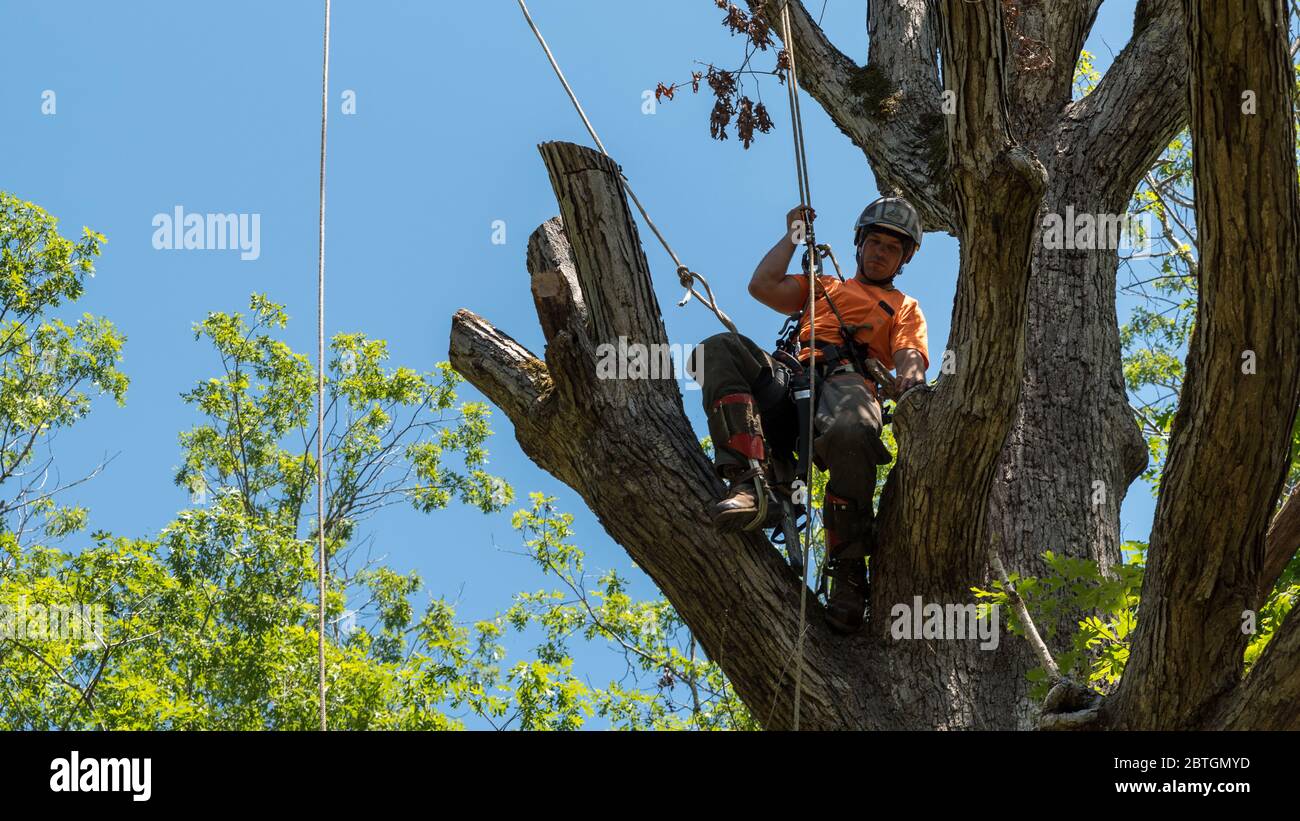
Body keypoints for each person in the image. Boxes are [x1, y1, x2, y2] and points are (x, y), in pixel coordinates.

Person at [688, 196, 930, 633]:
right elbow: (762, 286)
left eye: (892, 249)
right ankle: (751, 484)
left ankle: (850, 569)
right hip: (792, 375)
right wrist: (793, 235)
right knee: (716, 351)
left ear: (903, 259)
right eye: (874, 242)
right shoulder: (825, 285)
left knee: (854, 430)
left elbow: (909, 354)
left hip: (848, 381)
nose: (880, 252)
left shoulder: (904, 307)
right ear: (858, 244)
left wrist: (911, 382)